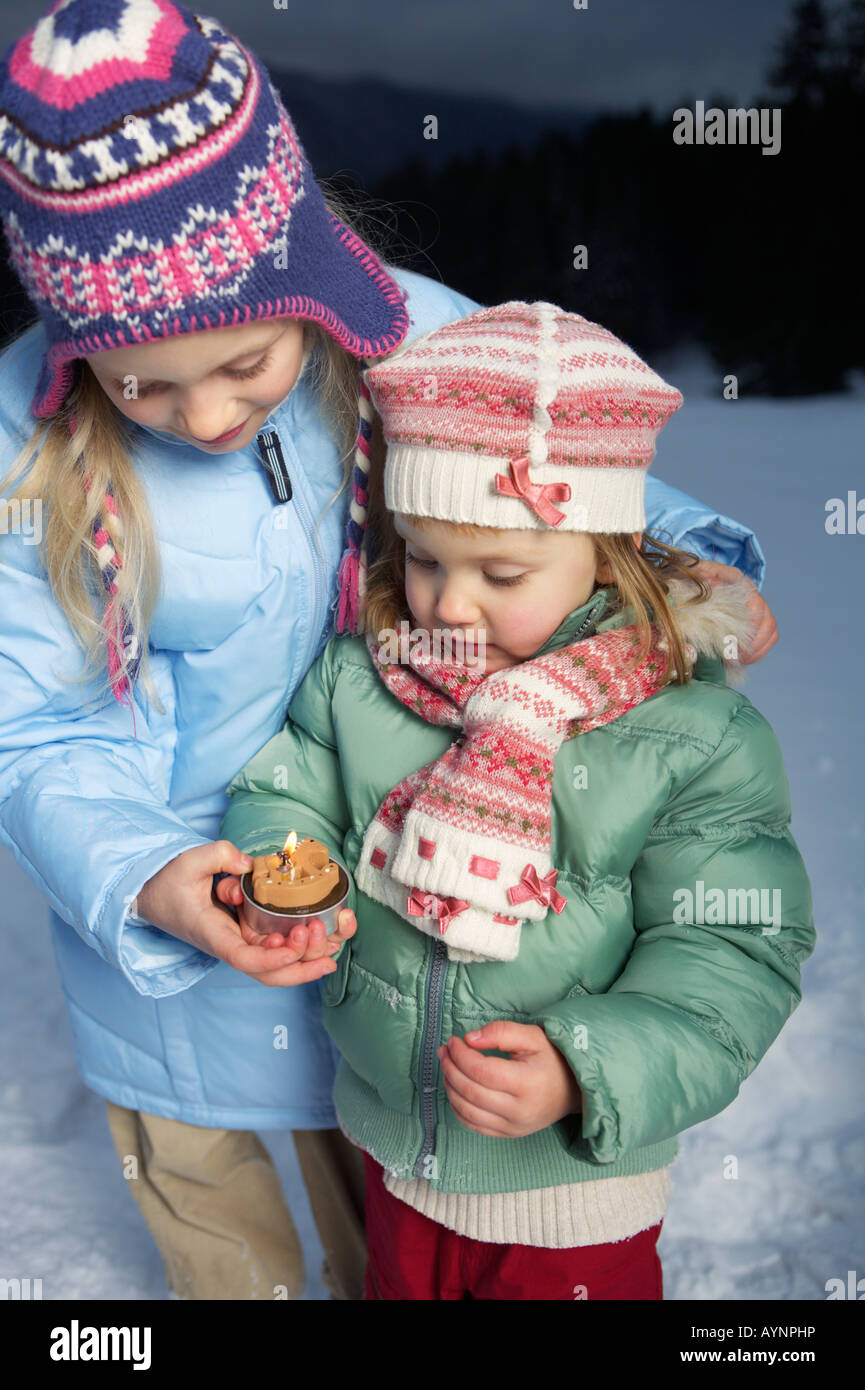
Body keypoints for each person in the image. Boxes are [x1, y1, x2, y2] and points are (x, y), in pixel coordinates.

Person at [0, 0, 774, 1303]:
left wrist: (686, 564)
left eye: (243, 362)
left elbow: (554, 470)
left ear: (302, 274)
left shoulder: (413, 336)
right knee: (213, 1216)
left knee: (386, 1206)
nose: (197, 415)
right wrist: (150, 878)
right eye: (139, 384)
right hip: (175, 943)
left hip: (392, 901)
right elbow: (34, 726)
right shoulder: (28, 458)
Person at [217, 301, 815, 1301]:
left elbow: (733, 951)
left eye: (501, 571)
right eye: (423, 557)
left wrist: (590, 1067)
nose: (449, 604)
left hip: (570, 1196)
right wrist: (285, 867)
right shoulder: (363, 678)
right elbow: (287, 786)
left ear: (606, 548)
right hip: (398, 1147)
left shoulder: (691, 738)